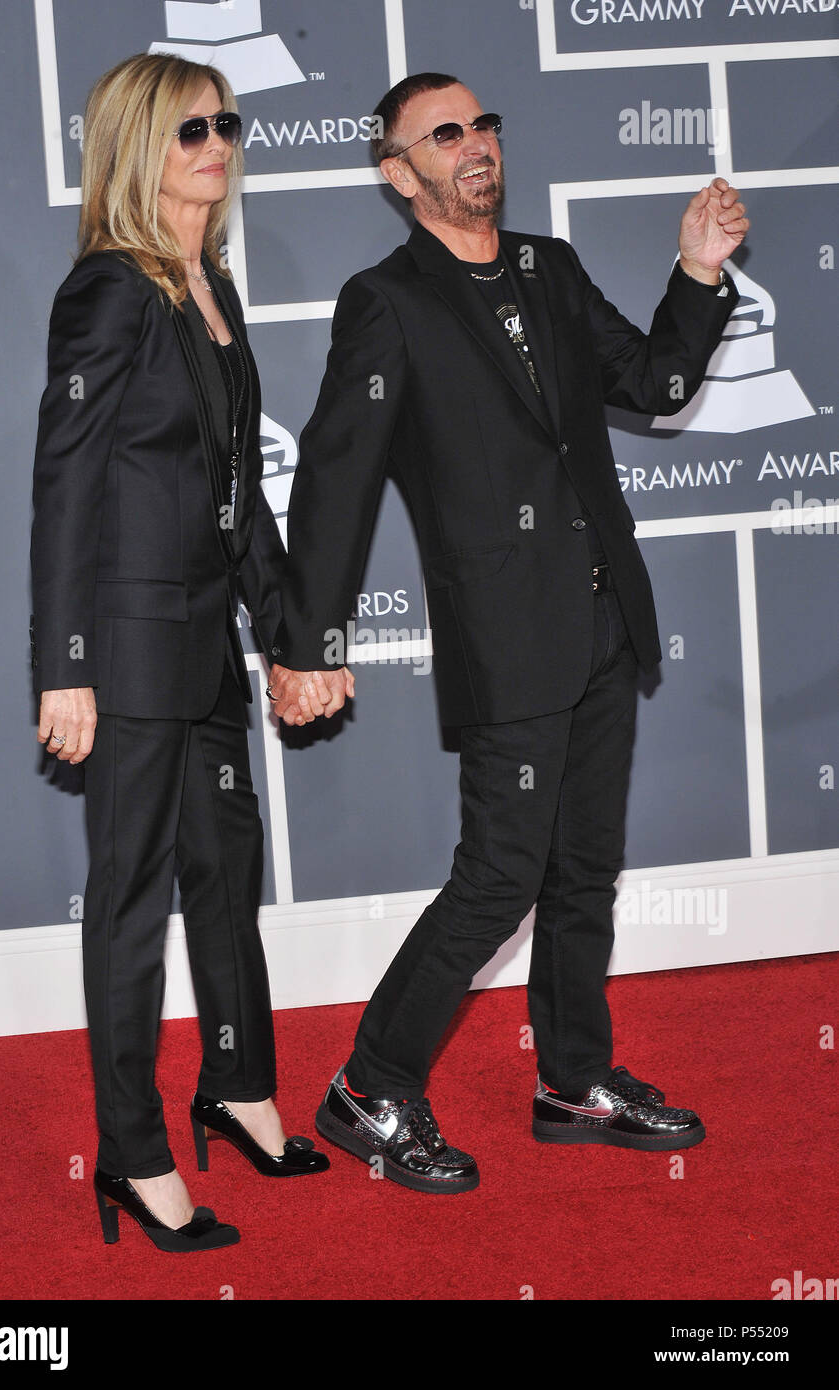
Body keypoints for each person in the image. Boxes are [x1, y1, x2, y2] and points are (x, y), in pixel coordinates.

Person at [267, 73, 747, 1193]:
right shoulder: (386, 302)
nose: (475, 143)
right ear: (400, 174)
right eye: (446, 134)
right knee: (498, 877)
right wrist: (307, 640)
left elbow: (657, 382)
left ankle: (572, 1078)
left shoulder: (549, 264)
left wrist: (697, 269)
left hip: (599, 620)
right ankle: (368, 1086)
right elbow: (335, 485)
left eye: (483, 124)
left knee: (584, 870)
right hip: (507, 636)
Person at [30, 53, 329, 1253]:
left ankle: (239, 1084)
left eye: (226, 122)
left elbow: (238, 494)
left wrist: (290, 634)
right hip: (130, 654)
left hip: (206, 654)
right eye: (189, 127)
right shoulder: (109, 291)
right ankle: (133, 1153)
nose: (217, 142)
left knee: (226, 878)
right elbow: (64, 488)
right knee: (131, 904)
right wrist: (65, 662)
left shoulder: (214, 288)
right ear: (137, 148)